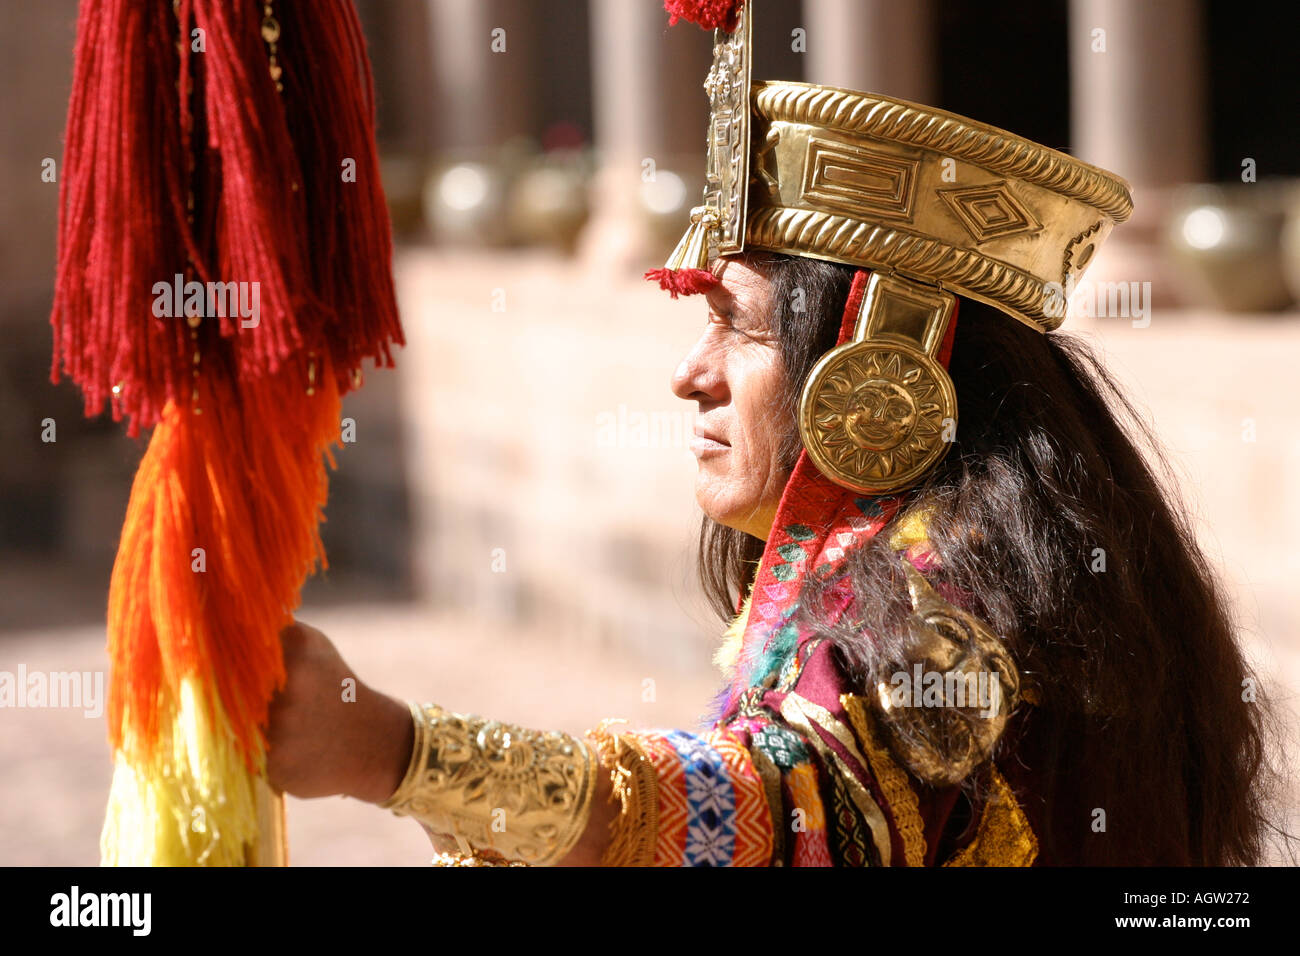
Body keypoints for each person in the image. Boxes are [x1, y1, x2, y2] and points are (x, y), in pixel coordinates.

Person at [265, 1, 1284, 866]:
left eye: (734, 327)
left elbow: (767, 806)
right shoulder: (916, 549)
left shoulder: (953, 592)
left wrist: (398, 752)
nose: (686, 375)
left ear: (875, 357)